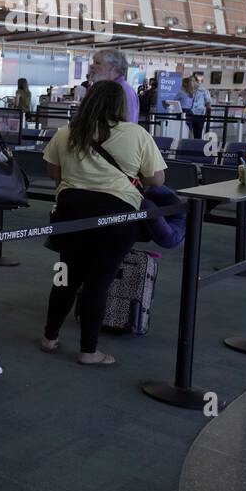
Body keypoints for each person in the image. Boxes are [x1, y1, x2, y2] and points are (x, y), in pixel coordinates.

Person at [41, 80, 166, 366]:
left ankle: (50, 338)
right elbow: (156, 180)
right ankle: (88, 351)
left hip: (70, 212)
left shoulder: (66, 132)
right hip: (116, 214)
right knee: (98, 282)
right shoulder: (137, 134)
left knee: (65, 278)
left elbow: (53, 172)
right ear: (120, 105)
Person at [89, 49, 138, 125]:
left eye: (98, 63)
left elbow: (127, 125)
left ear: (113, 68)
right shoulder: (107, 88)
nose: (92, 66)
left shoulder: (123, 90)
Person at [180, 74, 210, 139]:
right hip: (190, 114)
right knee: (188, 132)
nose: (191, 83)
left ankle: (197, 147)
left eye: (192, 81)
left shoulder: (204, 91)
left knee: (198, 134)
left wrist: (207, 114)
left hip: (199, 115)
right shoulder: (188, 91)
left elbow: (208, 103)